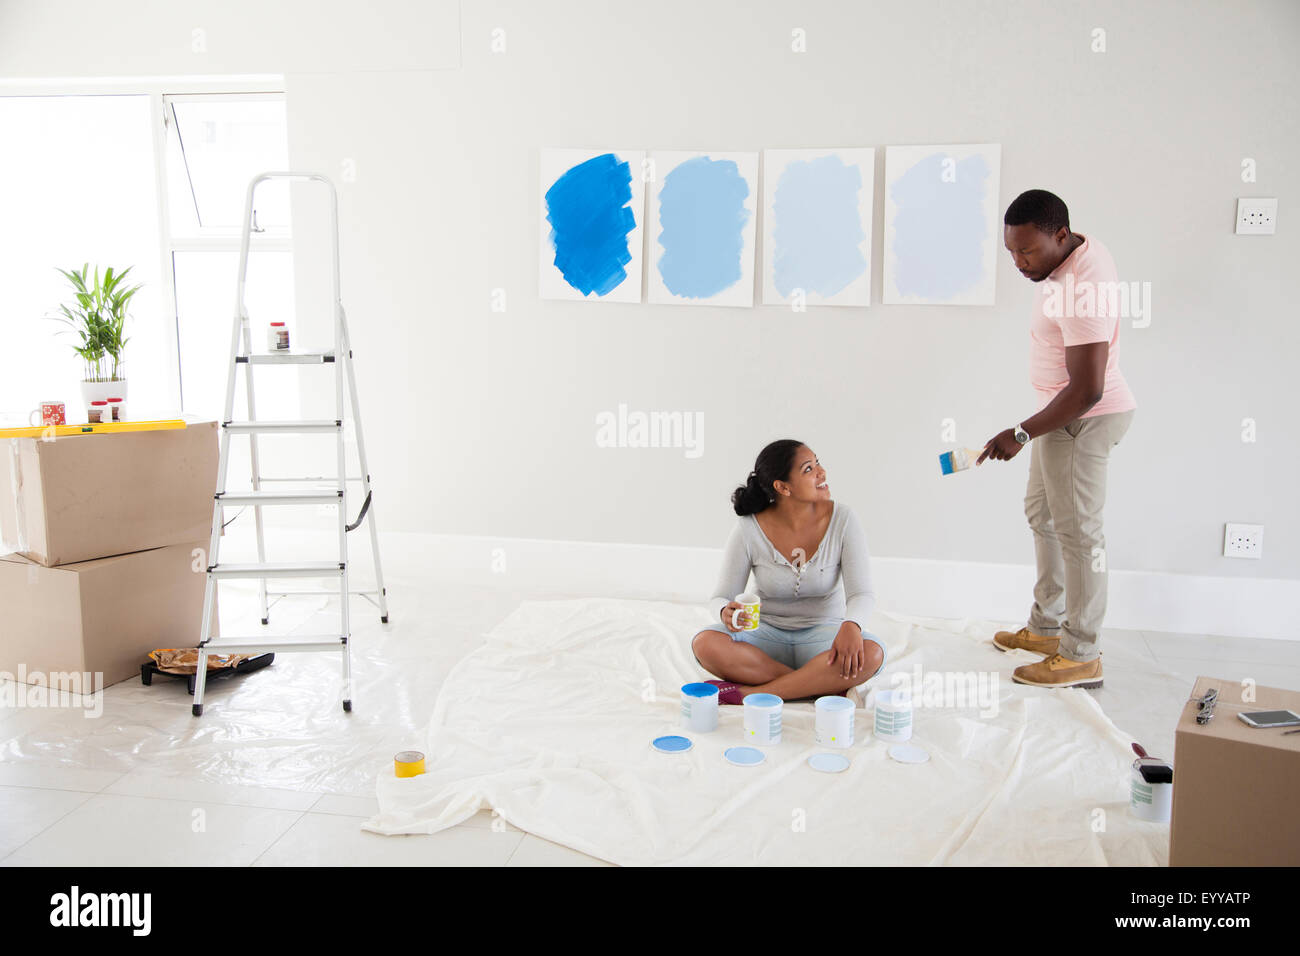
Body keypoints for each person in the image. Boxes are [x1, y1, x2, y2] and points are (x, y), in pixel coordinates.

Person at [980, 189, 1137, 689]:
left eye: (1027, 252)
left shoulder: (1081, 287)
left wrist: (1022, 432)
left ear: (1060, 235)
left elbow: (1088, 389)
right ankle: (1047, 627)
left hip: (1083, 420)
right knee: (1041, 514)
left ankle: (1081, 653)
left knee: (1080, 535)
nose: (1019, 263)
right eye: (1011, 252)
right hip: (1061, 417)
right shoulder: (1071, 256)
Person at [691, 439, 886, 703]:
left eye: (818, 463)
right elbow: (720, 597)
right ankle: (814, 683)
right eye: (808, 469)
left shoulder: (844, 520)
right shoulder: (749, 528)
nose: (822, 473)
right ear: (783, 487)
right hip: (764, 635)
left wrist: (852, 625)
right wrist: (725, 612)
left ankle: (753, 693)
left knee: (872, 652)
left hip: (824, 636)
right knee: (705, 643)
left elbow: (861, 593)